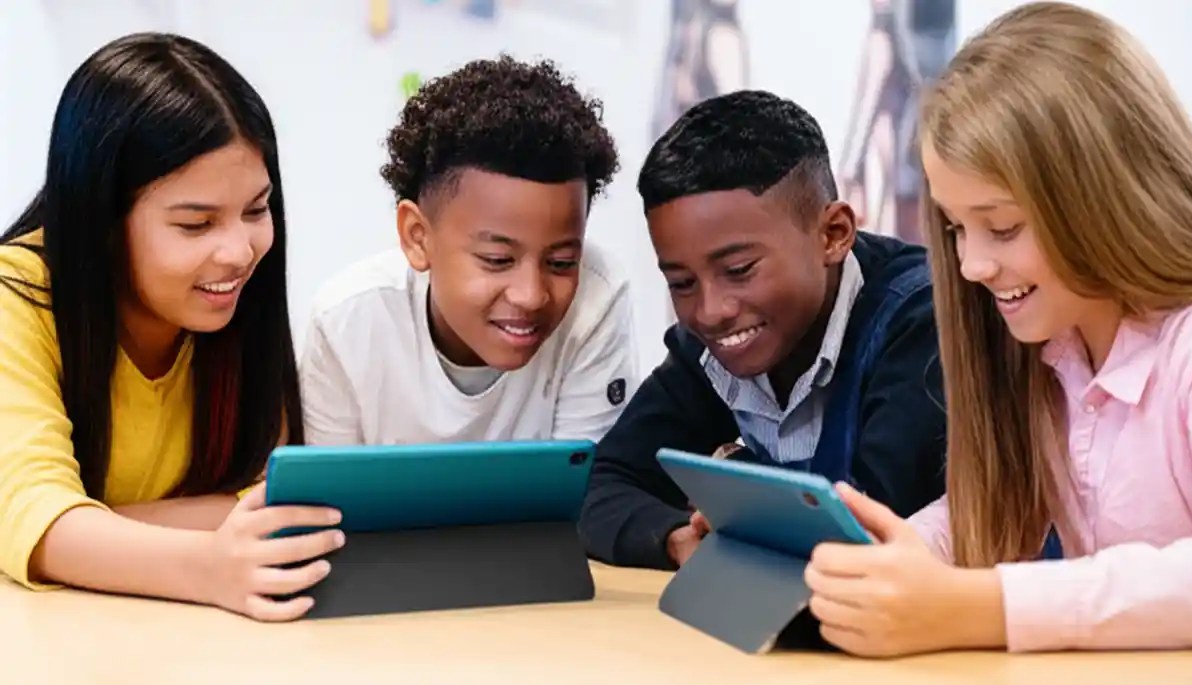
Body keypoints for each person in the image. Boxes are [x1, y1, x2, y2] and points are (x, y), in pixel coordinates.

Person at [804, 1, 1192, 657]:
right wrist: (884, 559)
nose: (971, 266)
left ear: (1106, 197)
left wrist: (982, 608)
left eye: (1002, 228)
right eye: (956, 228)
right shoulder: (1050, 347)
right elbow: (989, 511)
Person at [0, 33, 341, 622]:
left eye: (256, 210)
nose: (240, 252)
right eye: (195, 225)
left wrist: (91, 527)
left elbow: (268, 504)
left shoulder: (235, 301)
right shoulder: (16, 295)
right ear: (102, 220)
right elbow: (36, 517)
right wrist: (207, 564)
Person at [579, 89, 947, 569]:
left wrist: (733, 470)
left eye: (739, 270)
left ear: (833, 235)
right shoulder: (715, 342)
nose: (710, 310)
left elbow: (861, 532)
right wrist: (676, 539)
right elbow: (601, 485)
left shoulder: (922, 322)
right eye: (681, 282)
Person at [299, 56, 636, 447]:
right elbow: (329, 487)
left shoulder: (597, 301)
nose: (531, 295)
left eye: (561, 263)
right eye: (497, 260)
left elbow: (587, 480)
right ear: (417, 237)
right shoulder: (346, 323)